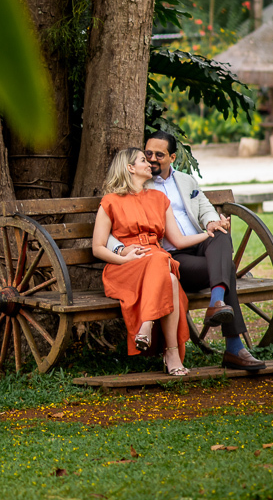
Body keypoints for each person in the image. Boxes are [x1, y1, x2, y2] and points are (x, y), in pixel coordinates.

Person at [131, 130, 266, 371]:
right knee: (224, 270)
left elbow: (204, 208)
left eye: (158, 155)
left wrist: (213, 221)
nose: (151, 159)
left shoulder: (186, 180)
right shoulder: (142, 183)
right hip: (172, 257)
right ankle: (234, 348)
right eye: (148, 153)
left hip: (201, 246)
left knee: (221, 233)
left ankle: (217, 302)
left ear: (172, 157)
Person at [91, 148, 217, 377]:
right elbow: (98, 247)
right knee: (164, 268)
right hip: (125, 266)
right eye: (142, 160)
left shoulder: (160, 199)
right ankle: (171, 353)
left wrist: (209, 233)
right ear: (130, 168)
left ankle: (147, 326)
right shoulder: (110, 202)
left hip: (155, 261)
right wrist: (123, 257)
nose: (149, 163)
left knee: (166, 273)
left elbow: (177, 241)